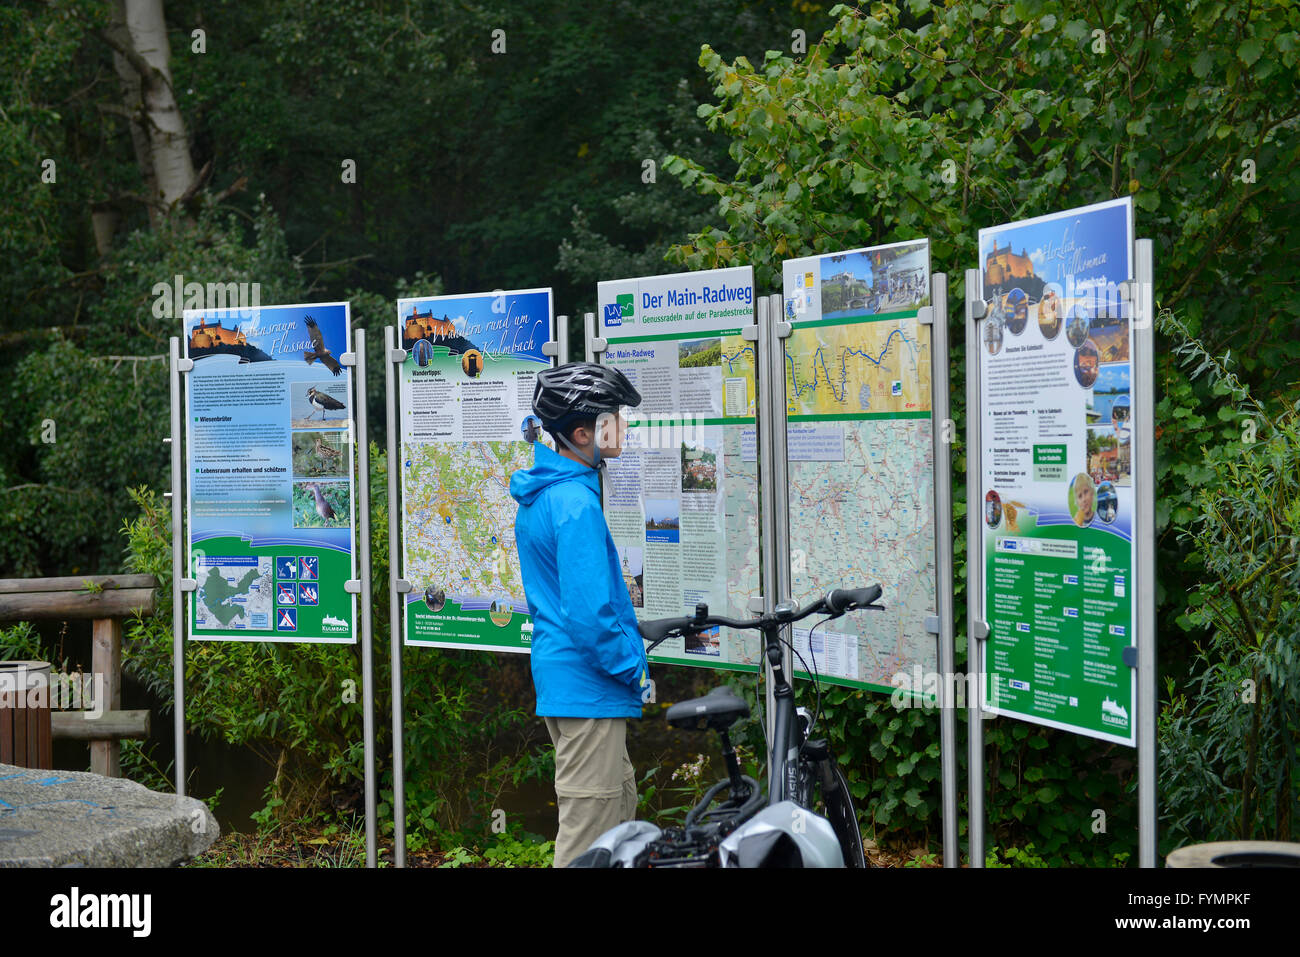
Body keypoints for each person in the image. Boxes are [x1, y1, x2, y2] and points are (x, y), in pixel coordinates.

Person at [509, 362, 650, 868]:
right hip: (589, 684)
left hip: (572, 681)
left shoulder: (552, 491)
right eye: (613, 417)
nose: (623, 426)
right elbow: (590, 614)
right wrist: (631, 667)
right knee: (587, 842)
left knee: (617, 814)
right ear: (582, 432)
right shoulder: (574, 502)